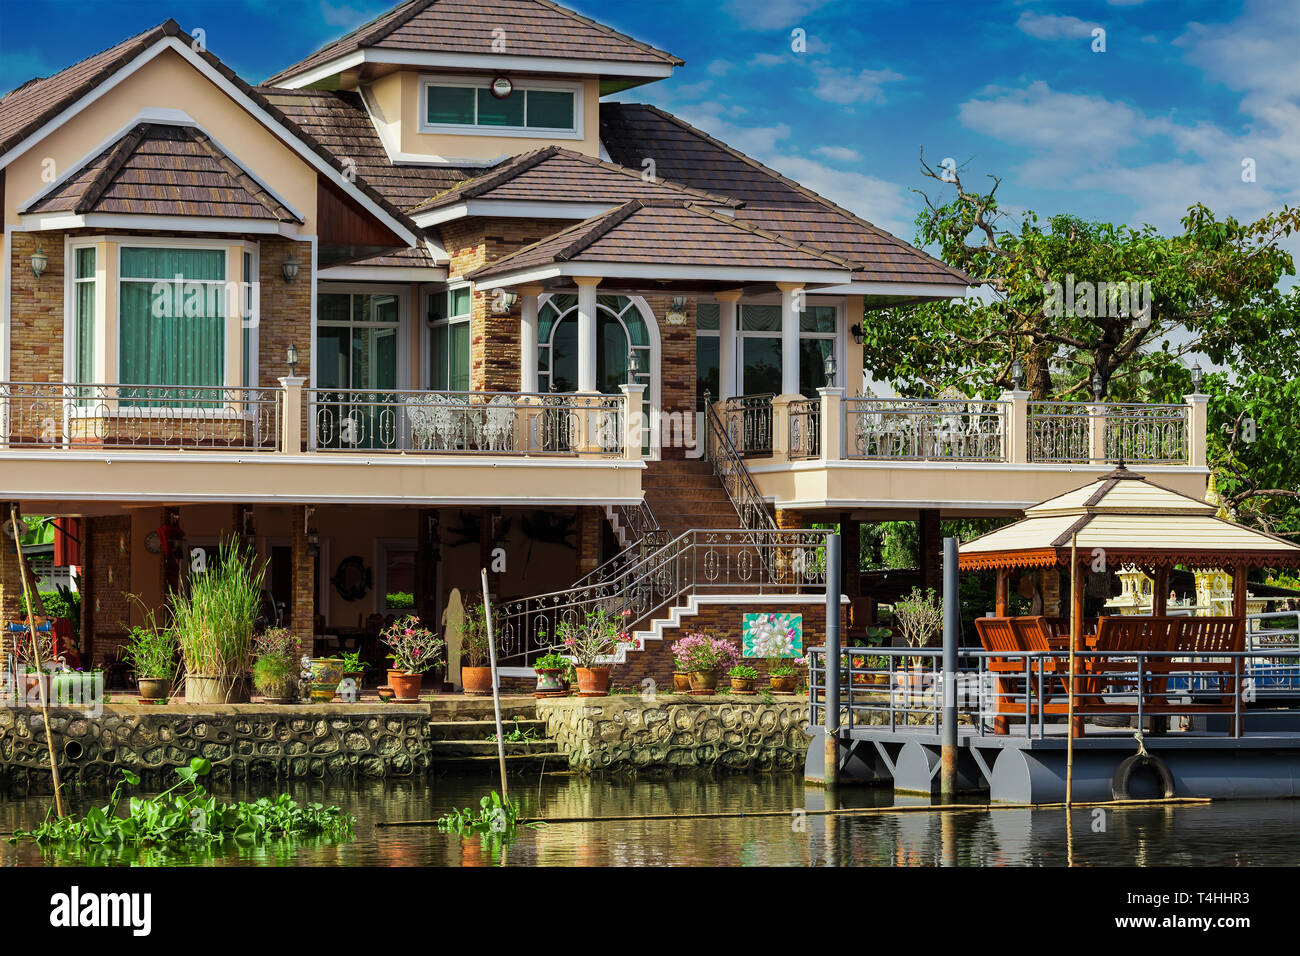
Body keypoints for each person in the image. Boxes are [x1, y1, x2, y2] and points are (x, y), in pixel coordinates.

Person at [442, 587, 465, 690]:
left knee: (449, 661)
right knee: (457, 661)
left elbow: (442, 623)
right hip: (458, 637)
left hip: (449, 637)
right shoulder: (462, 610)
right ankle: (457, 685)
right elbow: (465, 623)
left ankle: (449, 682)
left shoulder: (447, 610)